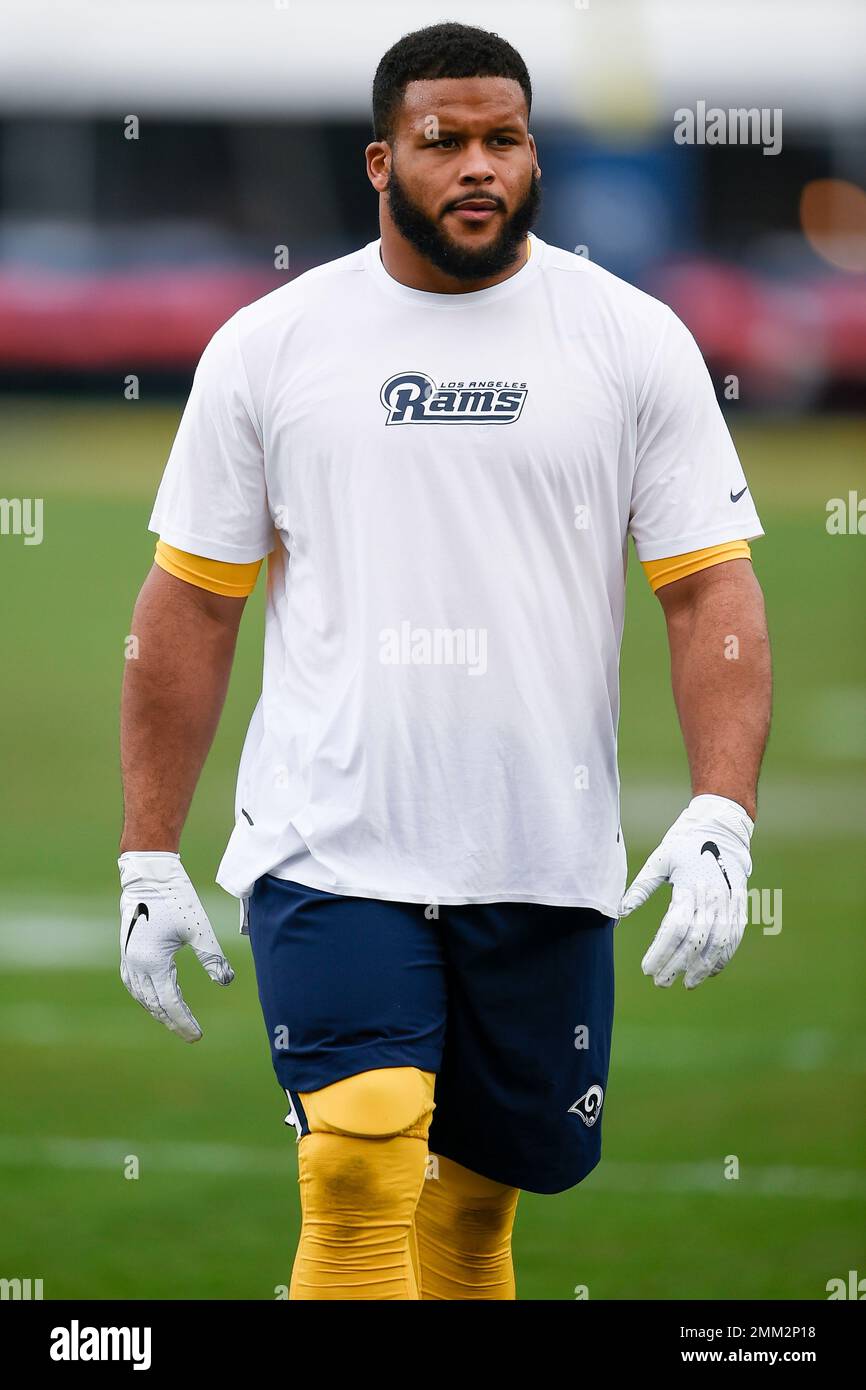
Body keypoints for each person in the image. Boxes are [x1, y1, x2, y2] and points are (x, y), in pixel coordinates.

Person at [118, 21, 772, 1300]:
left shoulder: (631, 340)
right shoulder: (271, 344)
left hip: (541, 850)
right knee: (360, 1169)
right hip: (329, 840)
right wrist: (148, 848)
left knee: (472, 1216)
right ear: (379, 162)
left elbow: (708, 591)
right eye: (442, 141)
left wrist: (720, 813)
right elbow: (189, 607)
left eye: (502, 139)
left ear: (532, 153)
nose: (477, 165)